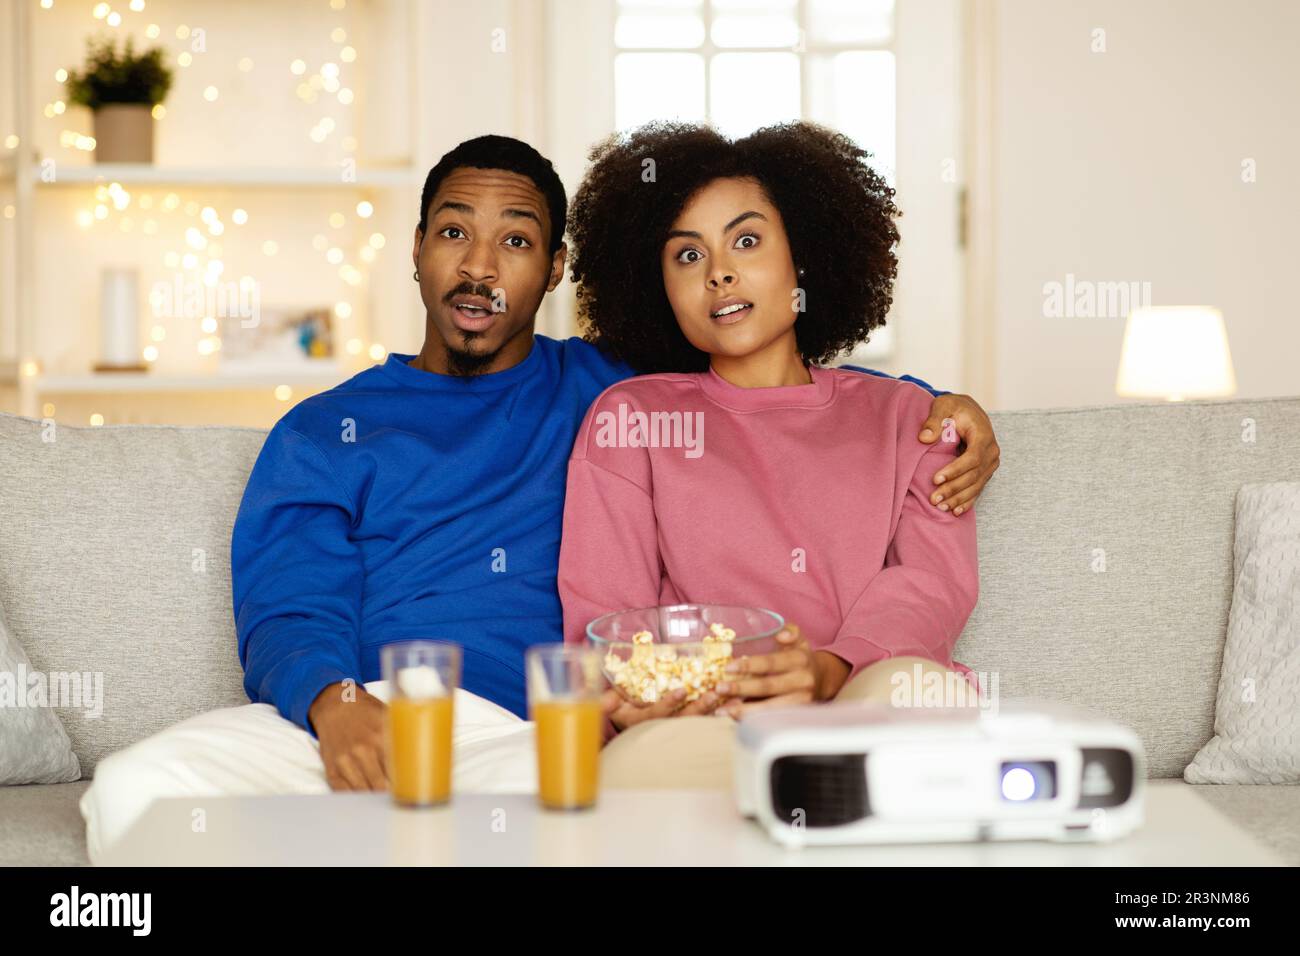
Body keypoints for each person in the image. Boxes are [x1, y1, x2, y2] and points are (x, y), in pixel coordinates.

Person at [79, 134, 1000, 861]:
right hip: (339, 716)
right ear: (416, 250)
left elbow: (777, 384)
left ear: (555, 269)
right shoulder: (324, 431)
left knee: (576, 829)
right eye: (453, 233)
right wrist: (334, 704)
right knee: (130, 792)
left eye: (515, 241)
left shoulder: (605, 389)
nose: (480, 267)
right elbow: (287, 601)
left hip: (511, 735)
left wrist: (945, 410)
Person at [558, 121, 983, 787]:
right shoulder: (632, 418)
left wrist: (827, 670)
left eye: (747, 241)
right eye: (687, 256)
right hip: (706, 722)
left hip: (869, 698)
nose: (719, 272)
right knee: (638, 773)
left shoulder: (912, 421)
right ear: (658, 285)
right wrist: (648, 698)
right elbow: (605, 613)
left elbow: (930, 587)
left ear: (804, 258)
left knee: (918, 692)